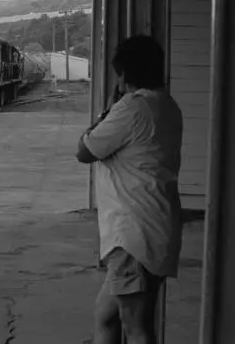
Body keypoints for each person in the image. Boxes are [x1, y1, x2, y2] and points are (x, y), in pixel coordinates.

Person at [75, 35, 183, 344]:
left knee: (135, 326)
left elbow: (85, 151)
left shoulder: (131, 109)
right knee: (105, 315)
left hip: (133, 235)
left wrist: (106, 113)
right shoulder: (167, 105)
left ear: (123, 75)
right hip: (156, 228)